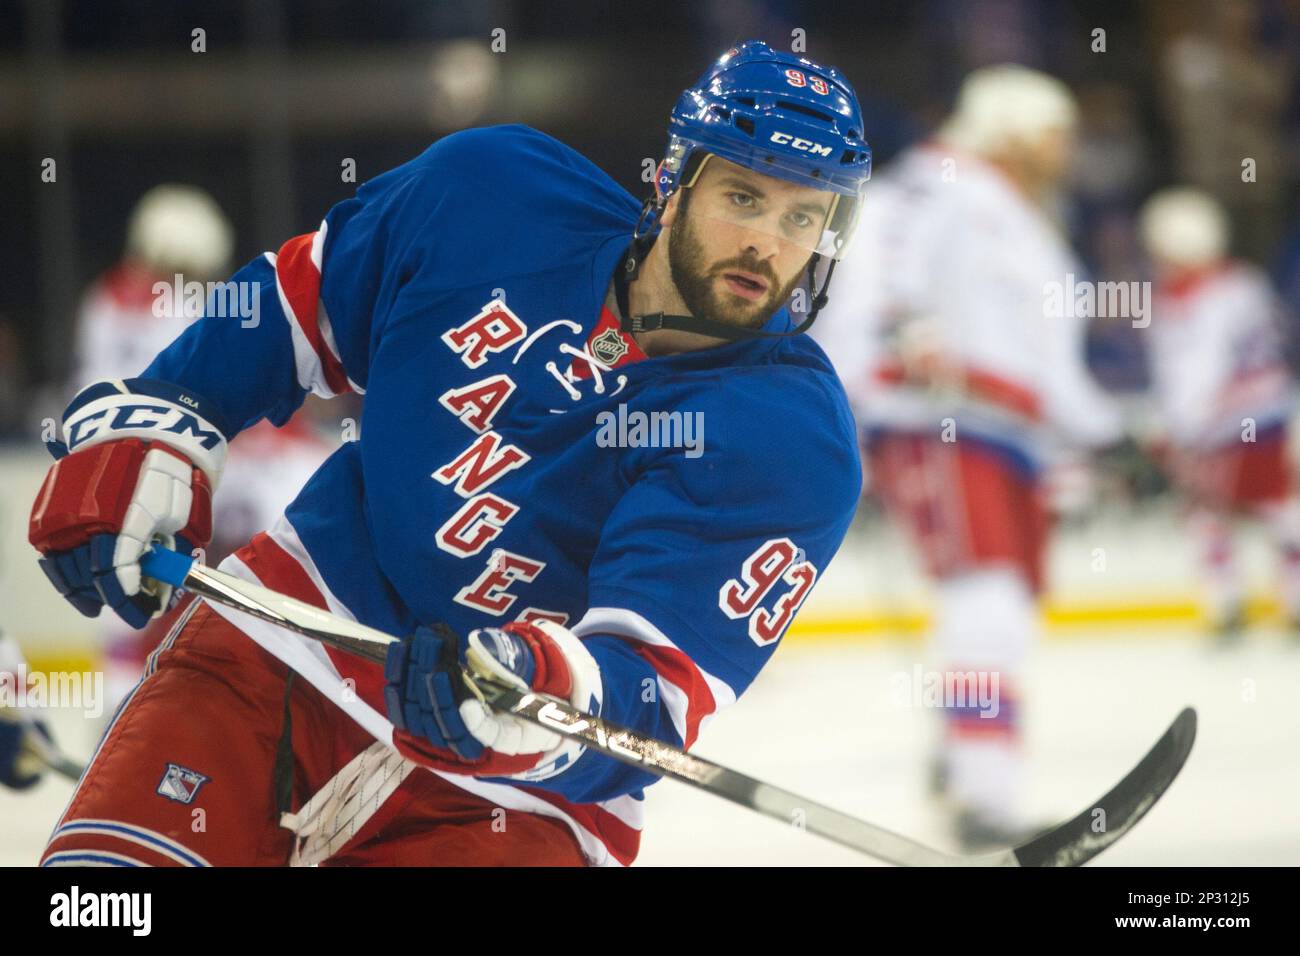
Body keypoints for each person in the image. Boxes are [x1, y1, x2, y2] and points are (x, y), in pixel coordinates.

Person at [29, 41, 870, 867]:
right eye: (743, 197)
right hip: (287, 644)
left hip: (519, 797)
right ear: (672, 180)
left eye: (804, 215)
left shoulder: (791, 437)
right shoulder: (496, 195)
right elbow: (294, 310)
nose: (768, 244)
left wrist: (534, 690)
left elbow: (651, 688)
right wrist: (168, 414)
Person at [812, 65, 1124, 849]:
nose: (1066, 151)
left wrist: (1088, 427)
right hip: (947, 421)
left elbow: (1041, 349)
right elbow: (876, 289)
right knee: (983, 599)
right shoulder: (933, 183)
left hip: (1008, 433)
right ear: (1014, 127)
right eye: (1056, 133)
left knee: (1006, 605)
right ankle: (985, 794)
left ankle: (963, 758)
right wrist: (877, 374)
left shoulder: (1007, 204)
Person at [70, 185, 333, 710]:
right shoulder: (187, 307)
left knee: (138, 586)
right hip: (192, 466)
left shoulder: (104, 302)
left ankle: (130, 694)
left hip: (129, 466)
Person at [1138, 187, 1300, 641]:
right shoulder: (1244, 282)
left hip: (1220, 423)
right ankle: (1293, 597)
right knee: (1280, 507)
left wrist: (1176, 428)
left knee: (1207, 513)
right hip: (1268, 412)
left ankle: (1226, 601)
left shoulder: (1193, 298)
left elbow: (1196, 371)